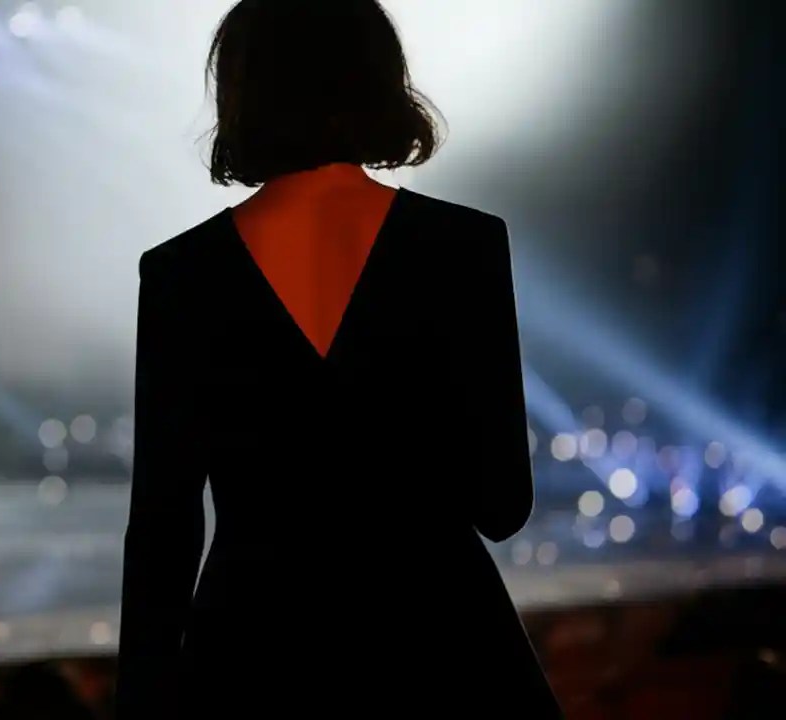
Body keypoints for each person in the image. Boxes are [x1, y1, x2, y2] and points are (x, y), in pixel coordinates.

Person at [115, 1, 564, 718]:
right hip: (444, 654)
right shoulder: (464, 247)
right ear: (381, 82)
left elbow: (163, 531)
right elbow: (502, 505)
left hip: (249, 661)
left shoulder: (179, 274)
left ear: (240, 92)